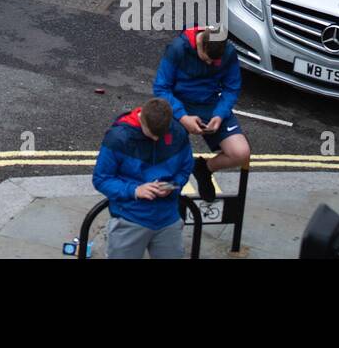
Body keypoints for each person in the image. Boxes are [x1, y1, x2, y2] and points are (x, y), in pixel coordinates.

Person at [153, 26, 250, 202]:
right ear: (201, 45)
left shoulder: (227, 52)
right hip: (178, 104)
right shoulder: (178, 49)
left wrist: (220, 114)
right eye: (207, 59)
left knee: (240, 152)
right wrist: (182, 117)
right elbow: (161, 88)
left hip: (211, 104)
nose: (209, 64)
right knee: (173, 158)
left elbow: (231, 87)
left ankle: (204, 169)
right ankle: (171, 202)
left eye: (215, 62)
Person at [93, 97, 194, 259]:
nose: (156, 139)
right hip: (129, 219)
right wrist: (135, 190)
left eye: (161, 135)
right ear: (142, 120)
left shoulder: (178, 133)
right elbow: (101, 179)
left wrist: (173, 186)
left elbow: (185, 168)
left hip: (168, 219)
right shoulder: (118, 138)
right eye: (152, 134)